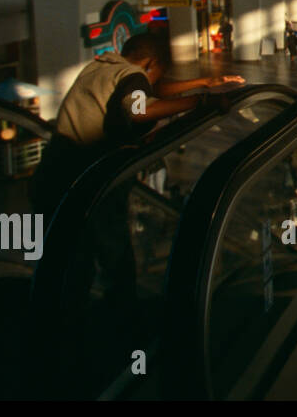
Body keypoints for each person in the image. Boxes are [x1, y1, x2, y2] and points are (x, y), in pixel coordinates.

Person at [29, 35, 243, 309]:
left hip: (52, 177)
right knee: (105, 256)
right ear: (150, 62)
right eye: (158, 73)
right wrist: (200, 101)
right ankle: (118, 318)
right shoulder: (132, 76)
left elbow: (148, 91)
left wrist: (204, 82)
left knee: (62, 260)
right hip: (89, 182)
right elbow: (140, 110)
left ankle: (57, 320)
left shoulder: (102, 68)